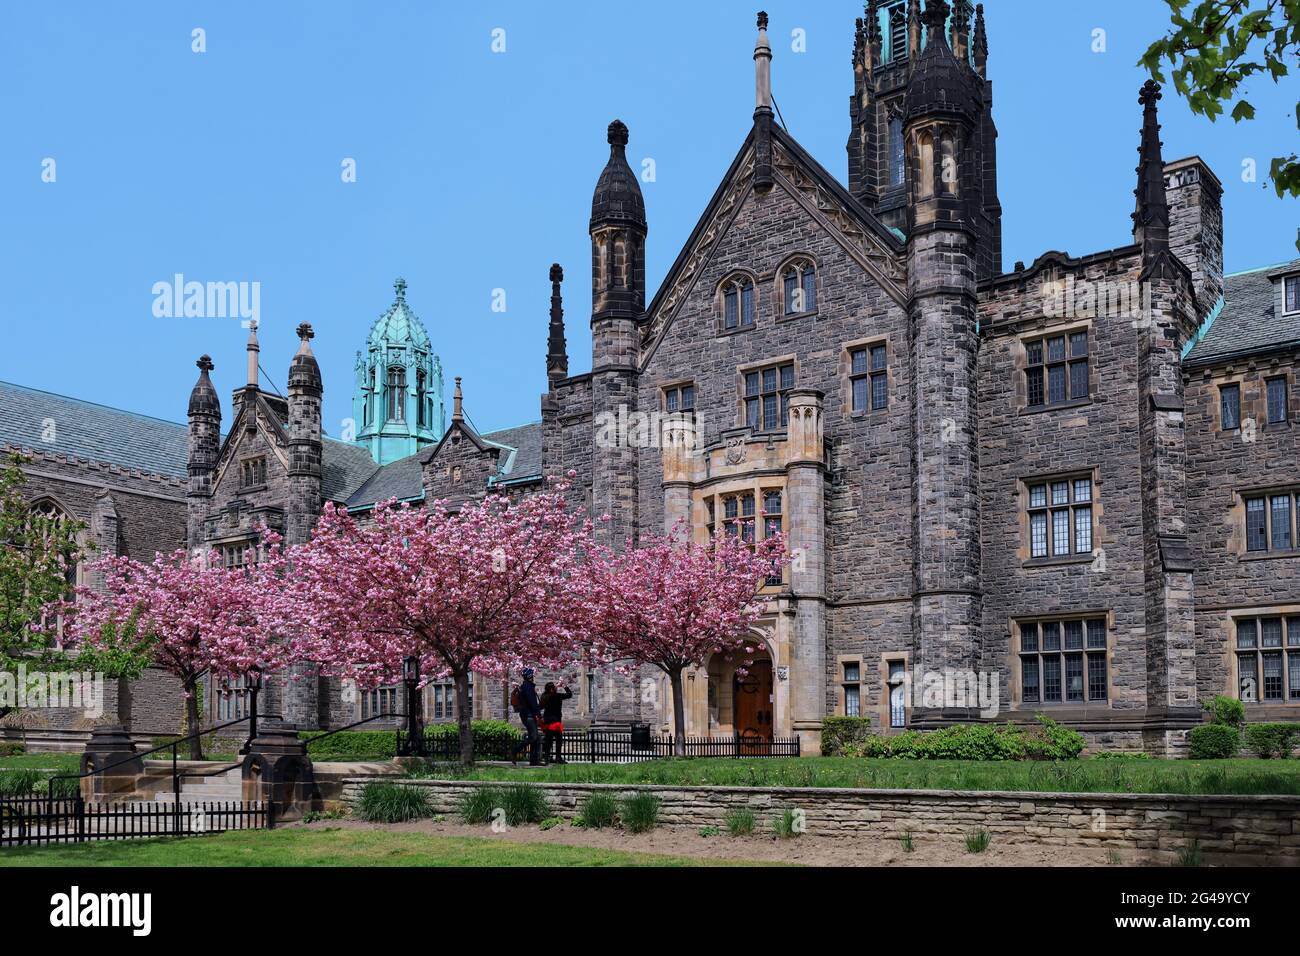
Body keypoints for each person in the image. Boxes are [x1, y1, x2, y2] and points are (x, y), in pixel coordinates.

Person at [511, 668, 543, 766]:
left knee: (536, 738)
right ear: (530, 677)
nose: (533, 677)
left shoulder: (524, 687)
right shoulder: (528, 687)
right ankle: (515, 750)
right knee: (533, 737)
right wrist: (539, 714)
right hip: (529, 716)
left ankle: (534, 761)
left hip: (526, 715)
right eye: (532, 675)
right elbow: (532, 703)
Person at [539, 681, 573, 765]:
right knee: (558, 740)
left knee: (548, 740)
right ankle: (558, 758)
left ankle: (547, 757)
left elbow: (540, 706)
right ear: (551, 689)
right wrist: (564, 686)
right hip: (556, 721)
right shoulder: (557, 696)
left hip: (547, 721)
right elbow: (569, 694)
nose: (556, 688)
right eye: (554, 687)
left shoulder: (544, 696)